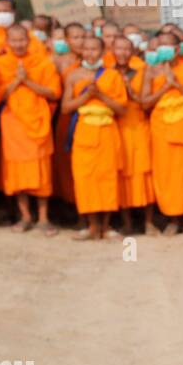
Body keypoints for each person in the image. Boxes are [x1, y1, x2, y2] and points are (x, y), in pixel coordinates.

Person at [0, 24, 62, 233]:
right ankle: (25, 216)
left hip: (38, 120)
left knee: (41, 170)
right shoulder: (0, 63)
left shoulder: (43, 63)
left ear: (29, 40)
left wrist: (28, 81)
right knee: (17, 169)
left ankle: (43, 218)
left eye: (22, 40)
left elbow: (54, 93)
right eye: (14, 40)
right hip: (13, 122)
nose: (18, 44)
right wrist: (17, 80)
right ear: (7, 42)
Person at [62, 35, 127, 240]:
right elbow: (65, 108)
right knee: (85, 179)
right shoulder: (73, 76)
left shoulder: (112, 75)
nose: (90, 53)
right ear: (81, 52)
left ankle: (106, 227)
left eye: (94, 50)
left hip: (107, 130)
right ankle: (91, 226)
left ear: (102, 52)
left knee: (107, 179)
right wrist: (86, 96)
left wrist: (101, 95)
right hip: (84, 131)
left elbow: (122, 109)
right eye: (87, 49)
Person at [141, 33, 183, 234]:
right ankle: (173, 219)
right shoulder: (151, 71)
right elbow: (145, 103)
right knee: (166, 172)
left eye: (168, 46)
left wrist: (177, 85)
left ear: (178, 49)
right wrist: (165, 87)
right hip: (160, 127)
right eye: (160, 46)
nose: (163, 50)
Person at [110, 35, 154, 233]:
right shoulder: (107, 73)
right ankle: (127, 223)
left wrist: (130, 91)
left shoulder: (142, 71)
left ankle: (148, 222)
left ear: (133, 51)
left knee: (144, 171)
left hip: (137, 124)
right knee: (123, 172)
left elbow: (145, 102)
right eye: (119, 48)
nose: (123, 53)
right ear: (112, 50)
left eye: (127, 49)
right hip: (117, 126)